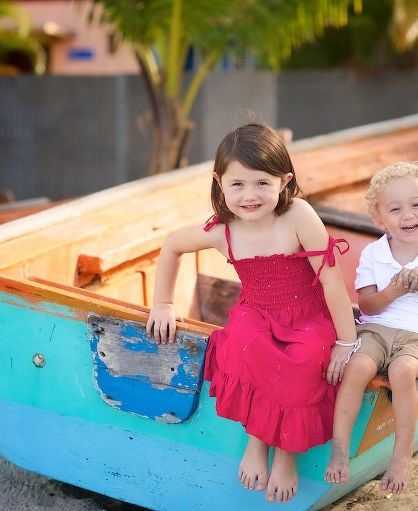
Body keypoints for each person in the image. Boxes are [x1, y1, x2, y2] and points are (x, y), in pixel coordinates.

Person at [146, 123, 358, 504]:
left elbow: (331, 282)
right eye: (238, 184)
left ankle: (286, 454)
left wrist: (346, 341)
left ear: (284, 180)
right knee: (243, 345)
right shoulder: (221, 230)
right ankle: (258, 442)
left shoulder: (299, 217)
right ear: (219, 183)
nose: (249, 195)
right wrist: (163, 302)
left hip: (309, 317)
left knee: (305, 358)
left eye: (262, 183)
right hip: (257, 313)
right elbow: (173, 245)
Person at [324, 161, 418, 494]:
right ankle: (340, 450)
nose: (407, 215)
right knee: (357, 366)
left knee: (401, 371)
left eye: (416, 205)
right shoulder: (373, 254)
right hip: (378, 328)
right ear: (379, 219)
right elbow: (367, 305)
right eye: (395, 209)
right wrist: (395, 290)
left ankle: (401, 456)